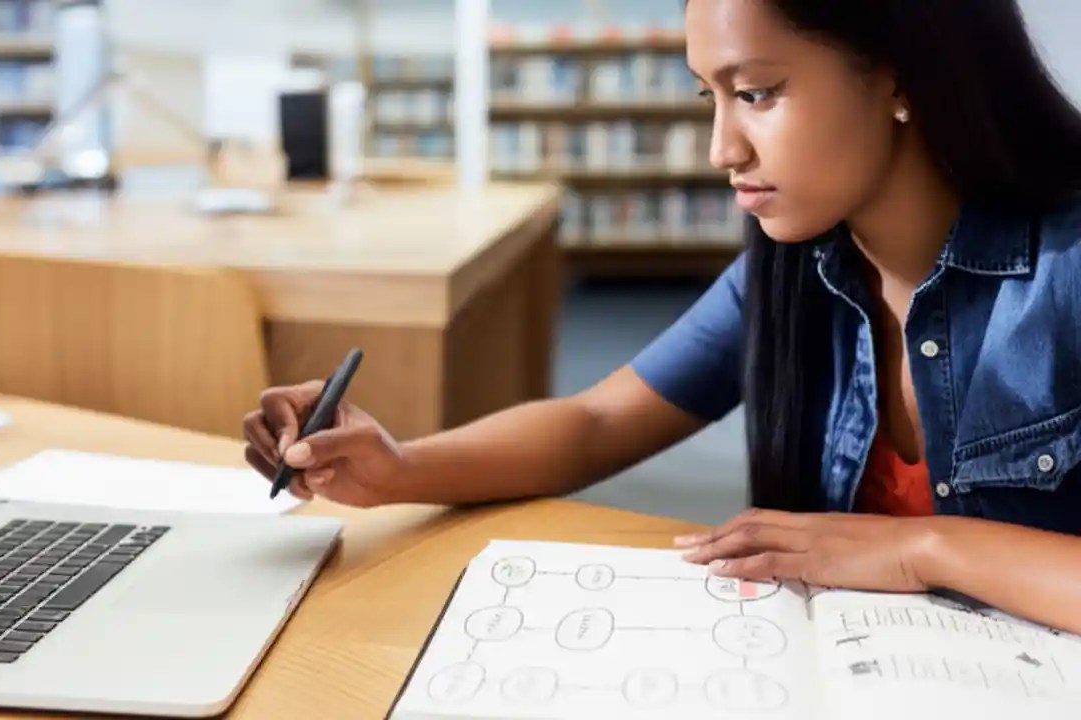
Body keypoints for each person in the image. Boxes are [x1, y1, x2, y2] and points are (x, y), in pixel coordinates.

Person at [244, 0, 1081, 633]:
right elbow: (598, 421)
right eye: (709, 97)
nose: (722, 149)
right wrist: (397, 467)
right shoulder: (792, 272)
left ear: (898, 75)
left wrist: (923, 549)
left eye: (756, 93)